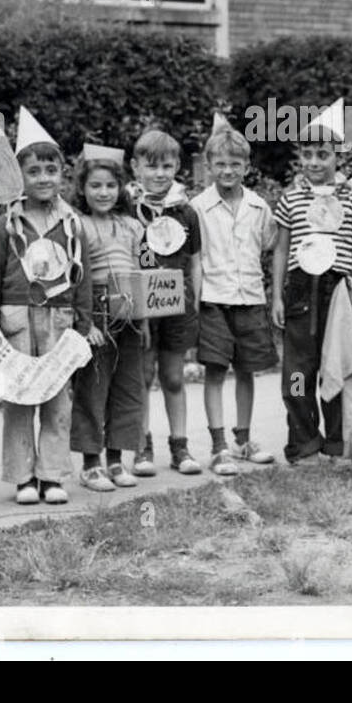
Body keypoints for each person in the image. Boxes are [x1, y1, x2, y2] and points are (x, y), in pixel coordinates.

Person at [0, 107, 91, 506]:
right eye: (34, 171)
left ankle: (51, 474)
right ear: (21, 176)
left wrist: (83, 325)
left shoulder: (72, 223)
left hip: (60, 318)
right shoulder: (7, 223)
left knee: (56, 395)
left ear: (62, 173)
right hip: (15, 318)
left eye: (51, 169)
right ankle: (23, 477)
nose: (44, 178)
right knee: (18, 397)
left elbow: (85, 276)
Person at [271, 98, 352, 465]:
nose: (315, 162)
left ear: (337, 158)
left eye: (323, 155)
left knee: (336, 366)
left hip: (340, 292)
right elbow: (281, 250)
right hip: (300, 290)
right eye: (308, 154)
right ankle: (304, 444)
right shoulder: (290, 199)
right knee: (298, 372)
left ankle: (336, 444)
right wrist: (277, 297)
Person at [191, 114, 279, 476]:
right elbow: (193, 257)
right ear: (209, 165)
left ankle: (243, 439)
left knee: (247, 370)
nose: (228, 170)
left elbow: (271, 245)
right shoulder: (197, 207)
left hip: (250, 298)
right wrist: (193, 305)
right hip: (213, 298)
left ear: (247, 166)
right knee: (214, 371)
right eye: (221, 164)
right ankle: (218, 446)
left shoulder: (259, 207)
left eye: (235, 164)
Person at [71, 145, 151, 491]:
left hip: (129, 309)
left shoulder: (133, 226)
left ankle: (116, 459)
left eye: (109, 186)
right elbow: (75, 277)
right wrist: (84, 322)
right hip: (96, 308)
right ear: (83, 190)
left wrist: (145, 319)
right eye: (95, 186)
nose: (103, 193)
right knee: (93, 385)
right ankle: (91, 463)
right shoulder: (78, 225)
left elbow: (141, 270)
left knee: (127, 385)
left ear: (120, 188)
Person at [129, 129, 203, 478]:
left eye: (167, 166)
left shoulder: (186, 212)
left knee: (173, 377)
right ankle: (142, 447)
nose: (160, 174)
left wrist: (197, 304)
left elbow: (196, 260)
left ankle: (180, 445)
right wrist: (136, 310)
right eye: (151, 166)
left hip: (179, 306)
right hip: (143, 307)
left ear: (177, 168)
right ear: (136, 167)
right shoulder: (130, 210)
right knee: (142, 375)